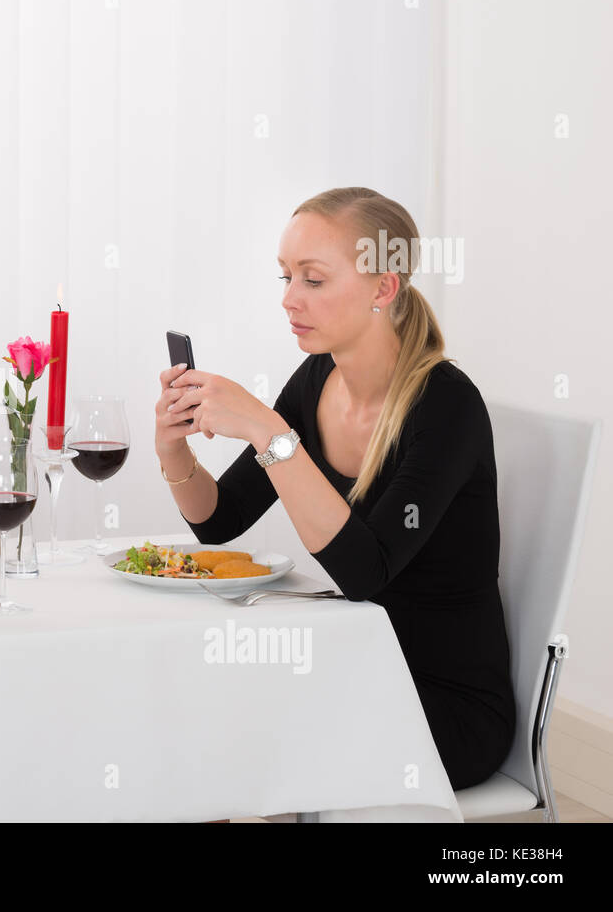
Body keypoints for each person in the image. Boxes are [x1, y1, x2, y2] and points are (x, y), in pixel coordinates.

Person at [154, 187, 514, 791]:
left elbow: (365, 571)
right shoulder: (318, 378)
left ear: (383, 288)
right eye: (285, 277)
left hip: (441, 704)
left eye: (313, 280)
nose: (290, 299)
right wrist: (173, 448)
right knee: (191, 704)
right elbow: (220, 520)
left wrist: (269, 431)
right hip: (356, 665)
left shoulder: (446, 405)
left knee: (229, 737)